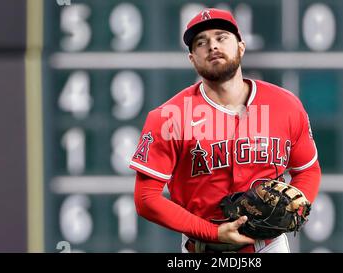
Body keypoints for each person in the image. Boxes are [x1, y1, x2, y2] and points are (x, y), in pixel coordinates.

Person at [129, 8, 321, 253]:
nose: (212, 46)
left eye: (221, 37)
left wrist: (295, 207)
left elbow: (307, 170)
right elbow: (146, 199)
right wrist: (213, 232)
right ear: (192, 58)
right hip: (202, 247)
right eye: (201, 42)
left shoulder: (285, 105)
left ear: (241, 47)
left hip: (268, 246)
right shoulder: (169, 117)